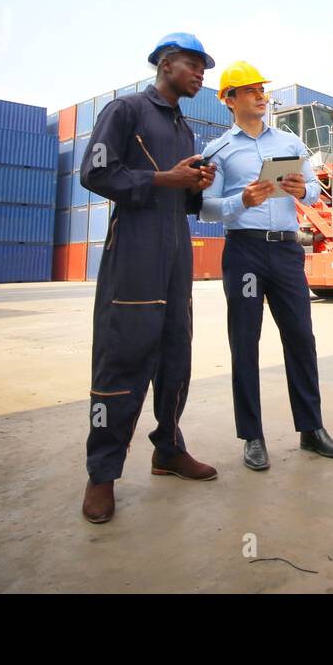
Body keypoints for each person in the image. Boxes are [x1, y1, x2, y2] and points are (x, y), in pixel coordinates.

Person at [79, 32, 219, 524]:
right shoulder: (125, 111)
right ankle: (101, 474)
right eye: (193, 65)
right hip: (134, 248)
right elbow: (94, 174)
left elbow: (179, 195)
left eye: (205, 67)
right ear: (165, 64)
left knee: (175, 350)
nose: (201, 74)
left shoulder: (183, 129)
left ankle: (168, 448)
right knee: (123, 355)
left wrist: (195, 187)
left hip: (175, 248)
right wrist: (164, 180)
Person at [201, 60, 333, 471]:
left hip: (286, 251)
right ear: (229, 100)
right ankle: (252, 436)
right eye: (249, 90)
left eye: (262, 89)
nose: (260, 95)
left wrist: (305, 190)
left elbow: (316, 192)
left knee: (301, 337)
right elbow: (205, 210)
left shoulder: (290, 142)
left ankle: (312, 430)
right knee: (245, 342)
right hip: (244, 251)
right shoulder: (217, 151)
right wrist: (239, 202)